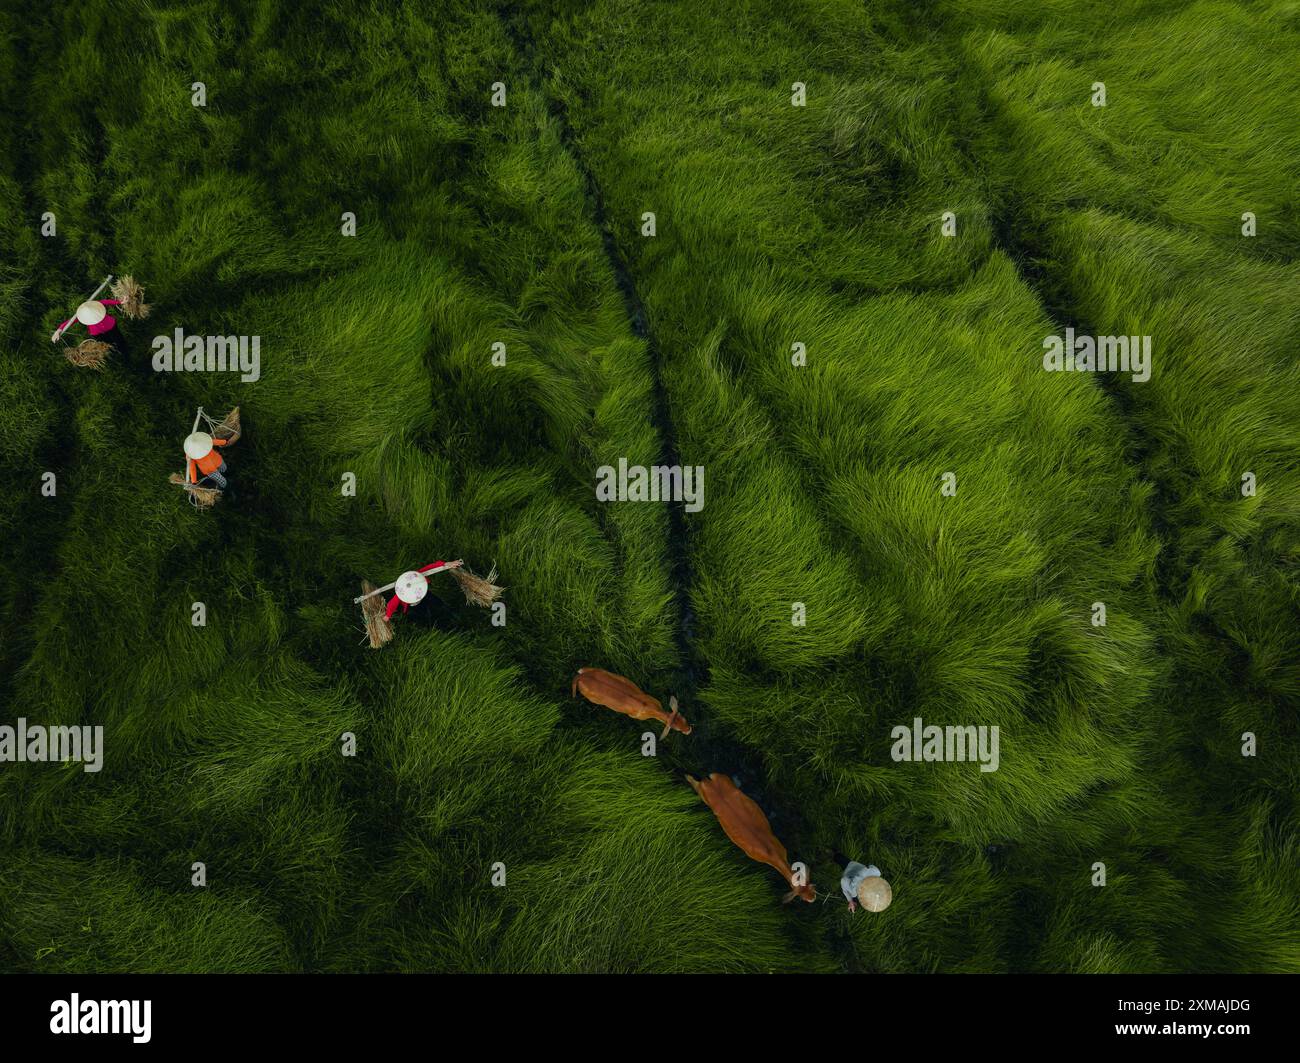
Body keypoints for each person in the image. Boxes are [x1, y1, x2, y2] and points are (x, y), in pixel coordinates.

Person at [384, 560, 464, 620]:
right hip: (415, 606)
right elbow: (391, 604)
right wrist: (387, 615)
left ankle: (450, 612)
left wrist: (446, 564)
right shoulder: (401, 593)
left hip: (425, 595)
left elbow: (431, 567)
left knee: (438, 603)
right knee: (426, 615)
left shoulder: (416, 575)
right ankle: (435, 621)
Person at [53, 299, 122, 343]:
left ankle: (124, 352)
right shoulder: (81, 314)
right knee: (106, 343)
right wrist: (59, 330)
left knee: (119, 339)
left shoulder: (96, 305)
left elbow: (106, 301)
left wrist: (119, 302)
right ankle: (112, 350)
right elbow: (70, 321)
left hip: (110, 325)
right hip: (97, 333)